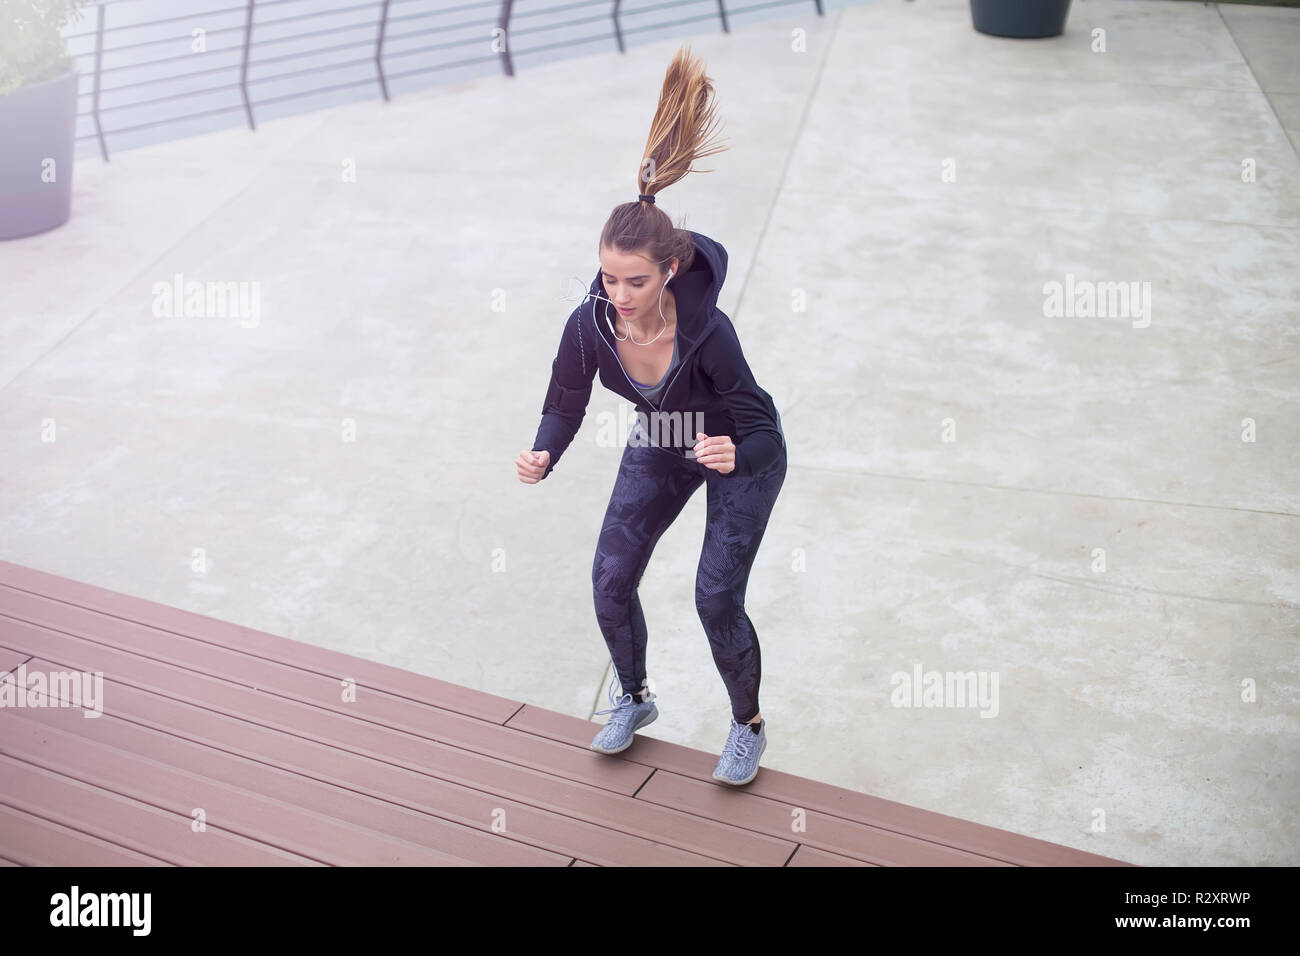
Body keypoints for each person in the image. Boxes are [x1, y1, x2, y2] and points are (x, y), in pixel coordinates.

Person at [515, 44, 787, 787]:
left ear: (670, 270)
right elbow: (565, 398)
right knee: (609, 577)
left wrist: (747, 457)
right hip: (664, 440)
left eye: (635, 279)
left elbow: (759, 425)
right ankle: (634, 699)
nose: (619, 293)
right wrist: (545, 450)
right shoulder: (590, 323)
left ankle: (746, 726)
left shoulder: (709, 333)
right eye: (608, 276)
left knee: (714, 596)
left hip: (735, 448)